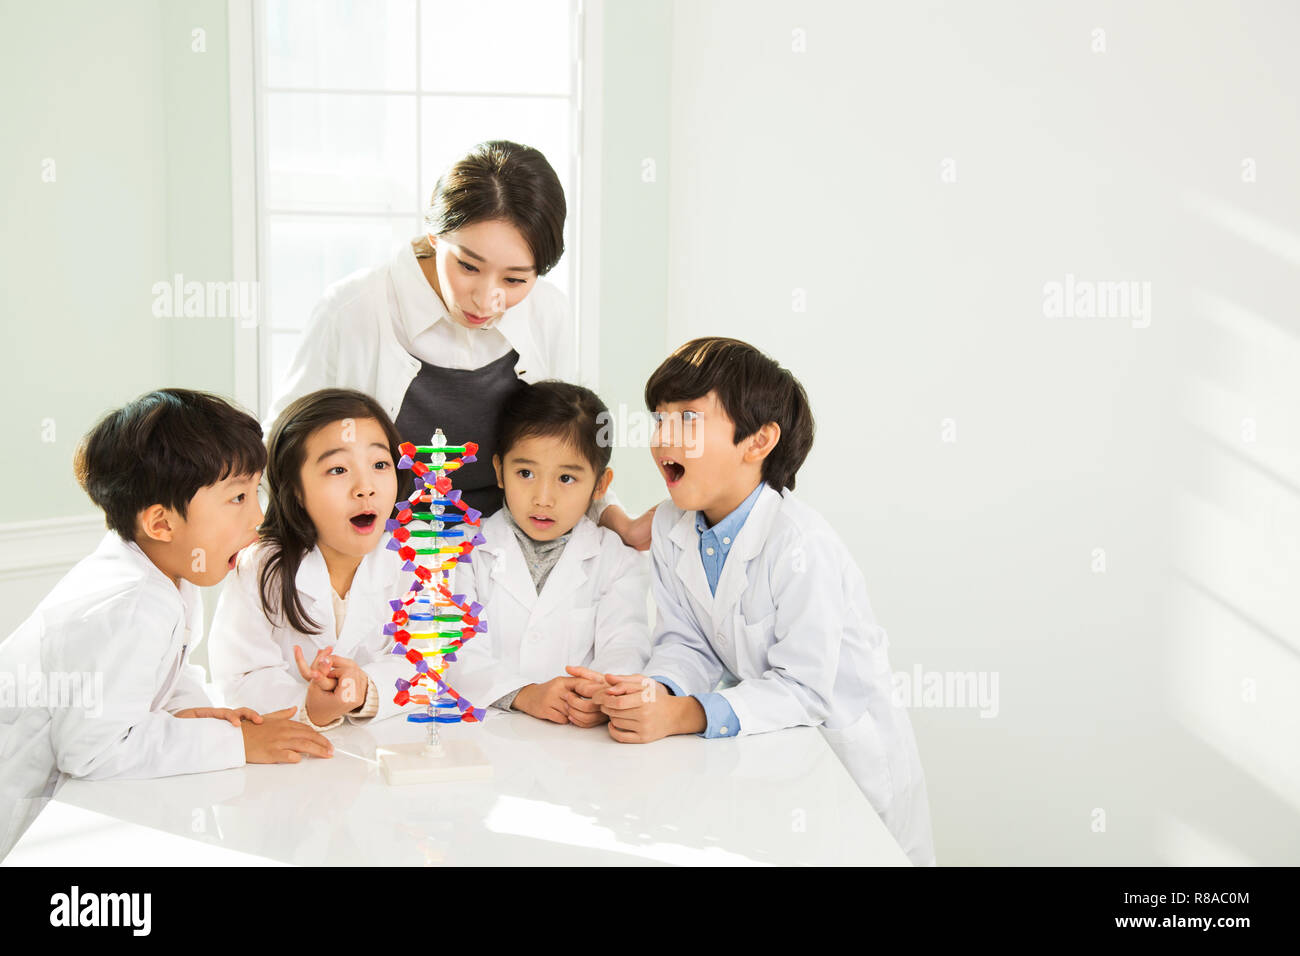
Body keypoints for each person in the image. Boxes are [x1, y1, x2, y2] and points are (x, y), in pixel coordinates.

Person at [569, 337, 937, 866]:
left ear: (758, 441)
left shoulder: (799, 546)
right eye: (660, 417)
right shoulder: (675, 524)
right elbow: (686, 641)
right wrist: (654, 690)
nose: (662, 437)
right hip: (775, 762)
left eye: (688, 420)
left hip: (850, 764)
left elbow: (805, 688)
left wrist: (687, 713)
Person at [266, 139, 652, 547]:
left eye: (515, 279)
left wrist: (616, 520)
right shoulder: (352, 312)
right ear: (434, 233)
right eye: (468, 266)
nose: (487, 300)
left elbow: (567, 448)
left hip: (503, 561)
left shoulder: (548, 312)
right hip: (381, 559)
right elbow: (283, 451)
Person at [0, 389, 333, 861]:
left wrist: (199, 712)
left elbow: (167, 675)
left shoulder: (167, 577)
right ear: (160, 524)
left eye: (254, 493)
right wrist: (235, 741)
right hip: (25, 820)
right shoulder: (129, 604)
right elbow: (93, 752)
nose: (258, 518)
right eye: (237, 497)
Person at [209, 389, 418, 729]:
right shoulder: (260, 566)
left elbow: (431, 660)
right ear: (294, 489)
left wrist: (365, 689)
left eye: (380, 464)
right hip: (289, 757)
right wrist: (310, 705)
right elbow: (240, 677)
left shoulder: (418, 554)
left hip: (389, 742)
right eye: (338, 469)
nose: (365, 488)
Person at [445, 381, 651, 726]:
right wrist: (524, 693)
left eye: (566, 479)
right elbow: (454, 650)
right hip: (486, 735)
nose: (543, 497)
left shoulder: (617, 560)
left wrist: (599, 692)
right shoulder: (462, 551)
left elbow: (627, 644)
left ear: (601, 485)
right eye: (525, 473)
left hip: (579, 741)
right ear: (499, 471)